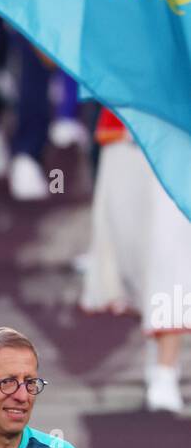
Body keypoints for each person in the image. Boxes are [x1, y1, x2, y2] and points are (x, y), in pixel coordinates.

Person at [80, 108, 191, 413]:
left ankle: (166, 367)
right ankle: (155, 342)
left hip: (178, 130)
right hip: (123, 131)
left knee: (170, 250)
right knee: (130, 254)